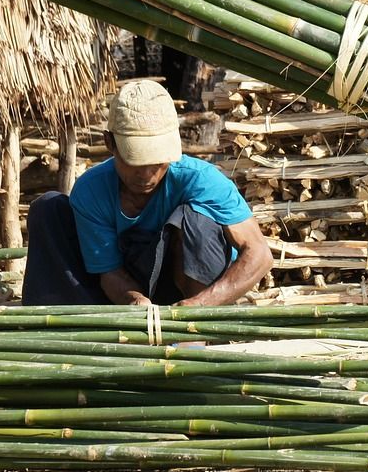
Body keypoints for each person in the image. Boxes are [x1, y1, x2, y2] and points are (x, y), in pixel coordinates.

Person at [21, 80, 272, 306]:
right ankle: (78, 332)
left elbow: (259, 254)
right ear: (110, 143)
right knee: (48, 208)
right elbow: (108, 272)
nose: (147, 175)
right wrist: (135, 301)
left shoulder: (201, 180)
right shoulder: (92, 191)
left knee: (197, 219)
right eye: (136, 161)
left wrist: (200, 304)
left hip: (192, 295)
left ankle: (194, 338)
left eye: (158, 162)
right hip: (122, 295)